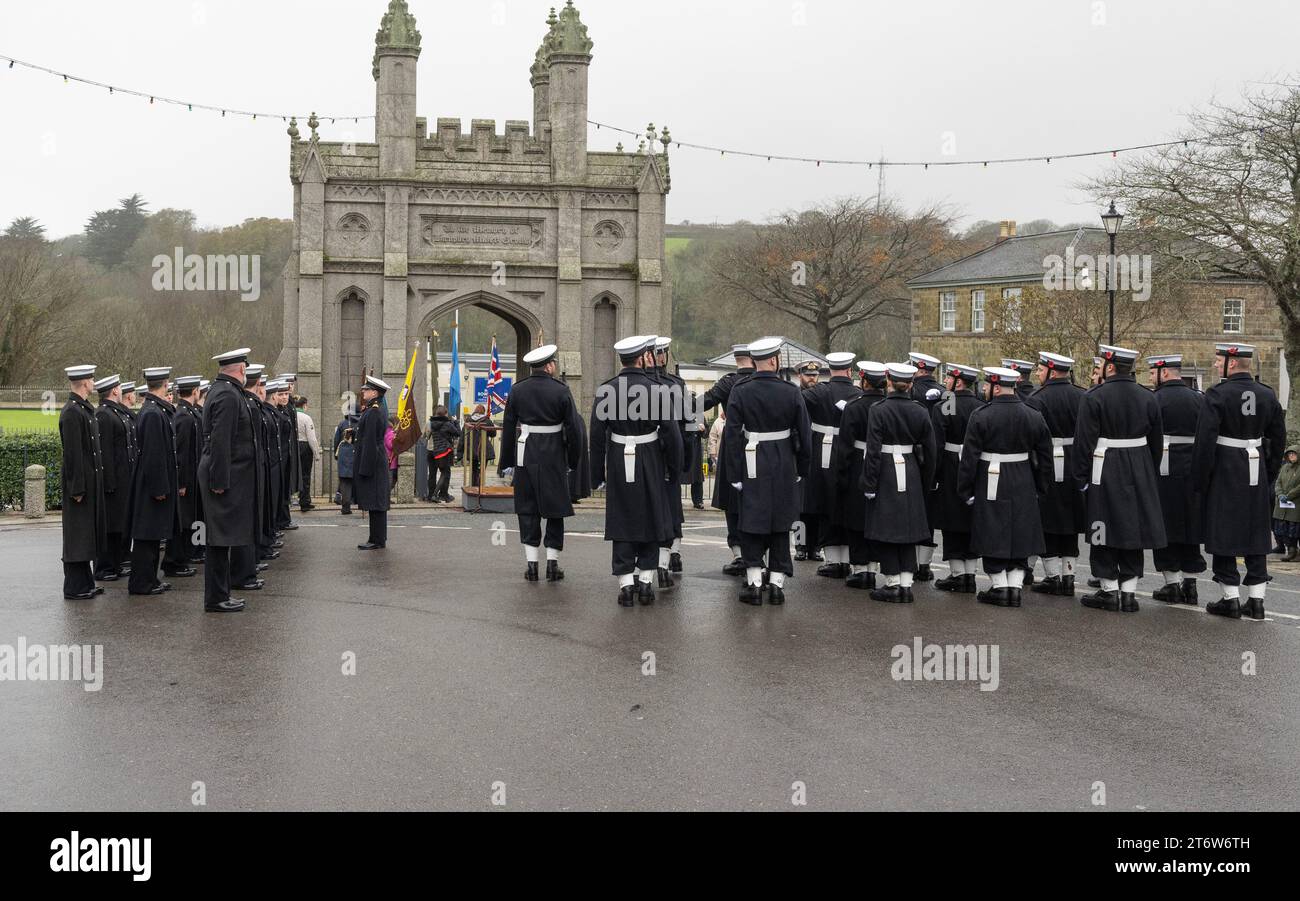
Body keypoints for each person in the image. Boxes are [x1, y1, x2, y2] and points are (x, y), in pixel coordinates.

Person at [1194, 343, 1286, 621]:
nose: (1214, 364)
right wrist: (1269, 474)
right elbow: (1278, 440)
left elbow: (1205, 442)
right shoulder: (1268, 394)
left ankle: (1230, 598)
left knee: (1223, 531)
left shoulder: (1217, 394)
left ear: (1231, 364)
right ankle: (1257, 601)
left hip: (1225, 469)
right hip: (1255, 470)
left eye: (1217, 360)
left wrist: (1201, 480)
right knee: (1256, 532)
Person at [1072, 345, 1166, 614]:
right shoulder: (1148, 397)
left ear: (1110, 367)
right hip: (1140, 466)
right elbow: (1156, 442)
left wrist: (1081, 478)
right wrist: (1148, 470)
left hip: (1105, 466)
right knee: (1132, 528)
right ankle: (1129, 593)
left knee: (1102, 527)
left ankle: (1109, 590)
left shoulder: (1094, 397)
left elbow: (1084, 443)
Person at [590, 335, 682, 607]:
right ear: (642, 358)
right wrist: (674, 470)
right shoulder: (657, 390)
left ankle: (626, 585)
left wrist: (597, 475)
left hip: (619, 460)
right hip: (650, 459)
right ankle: (645, 583)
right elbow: (672, 436)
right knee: (651, 518)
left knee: (622, 520)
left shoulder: (606, 390)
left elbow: (595, 436)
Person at [723, 337, 813, 605]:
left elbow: (732, 435)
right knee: (780, 524)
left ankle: (753, 583)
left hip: (752, 462)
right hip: (784, 461)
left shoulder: (741, 390)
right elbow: (805, 435)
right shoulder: (791, 391)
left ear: (753, 362)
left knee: (752, 522)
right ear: (775, 360)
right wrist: (802, 467)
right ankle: (776, 584)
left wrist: (734, 474)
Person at [957, 367, 1053, 608]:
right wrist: (1041, 487)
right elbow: (1045, 457)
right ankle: (1016, 586)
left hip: (991, 478)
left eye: (987, 386)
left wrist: (965, 490)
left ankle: (999, 586)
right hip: (1023, 478)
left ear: (996, 387)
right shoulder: (1033, 415)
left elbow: (969, 459)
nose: (985, 390)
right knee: (1020, 530)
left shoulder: (981, 415)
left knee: (993, 529)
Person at [498, 345, 583, 582]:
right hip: (554, 454)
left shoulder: (517, 390)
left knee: (528, 509)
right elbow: (573, 429)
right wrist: (573, 459)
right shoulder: (561, 390)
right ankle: (552, 564)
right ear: (548, 366)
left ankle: (532, 565)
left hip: (525, 454)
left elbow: (508, 428)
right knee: (555, 510)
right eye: (553, 363)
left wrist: (507, 462)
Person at [860, 362, 937, 603]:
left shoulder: (878, 409)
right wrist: (926, 481)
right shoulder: (920, 410)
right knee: (908, 528)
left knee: (887, 529)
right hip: (911, 470)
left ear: (889, 382)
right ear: (911, 384)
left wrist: (869, 483)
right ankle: (906, 583)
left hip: (885, 470)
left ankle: (893, 583)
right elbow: (931, 450)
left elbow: (872, 451)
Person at [197, 348, 257, 613]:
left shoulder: (224, 391)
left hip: (225, 473)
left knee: (222, 538)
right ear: (242, 369)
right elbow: (220, 441)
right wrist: (219, 480)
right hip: (223, 475)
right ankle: (216, 598)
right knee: (219, 539)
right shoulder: (228, 395)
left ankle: (221, 594)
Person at [1025, 352, 1088, 597]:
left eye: (1041, 370)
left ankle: (1052, 577)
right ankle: (1069, 576)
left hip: (1046, 462)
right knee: (1071, 523)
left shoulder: (1037, 399)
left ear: (1051, 371)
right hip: (1074, 462)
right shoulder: (1082, 395)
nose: (1038, 374)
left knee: (1048, 522)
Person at [1146, 354, 1207, 605]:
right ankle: (1190, 585)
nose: (1150, 377)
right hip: (1192, 467)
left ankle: (1171, 584)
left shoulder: (1154, 399)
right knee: (1191, 526)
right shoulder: (1199, 398)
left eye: (1153, 372)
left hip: (1164, 468)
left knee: (1165, 526)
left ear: (1165, 373)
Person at [804, 353, 862, 578]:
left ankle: (833, 560)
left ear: (830, 370)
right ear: (849, 371)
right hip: (851, 452)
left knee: (825, 504)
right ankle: (847, 558)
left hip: (822, 451)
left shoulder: (819, 391)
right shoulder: (858, 394)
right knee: (845, 504)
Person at [127, 367, 183, 595]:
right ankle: (142, 582)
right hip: (151, 487)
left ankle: (150, 579)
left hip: (152, 485)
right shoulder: (152, 413)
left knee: (152, 535)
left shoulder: (155, 410)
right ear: (165, 384)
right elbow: (153, 454)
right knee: (146, 536)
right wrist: (159, 488)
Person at [929, 363, 983, 594]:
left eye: (949, 378)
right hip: (976, 466)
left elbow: (937, 445)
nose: (946, 382)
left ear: (957, 382)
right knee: (970, 518)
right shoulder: (981, 405)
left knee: (952, 520)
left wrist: (934, 474)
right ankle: (969, 574)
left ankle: (958, 573)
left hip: (952, 466)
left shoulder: (946, 405)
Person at [702, 344, 755, 575]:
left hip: (732, 448)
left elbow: (701, 403)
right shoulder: (766, 381)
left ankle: (740, 555)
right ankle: (758, 553)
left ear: (736, 359)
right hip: (763, 450)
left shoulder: (728, 382)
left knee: (733, 505)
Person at [834, 361, 887, 589]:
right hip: (881, 465)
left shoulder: (853, 407)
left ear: (864, 381)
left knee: (855, 518)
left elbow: (844, 446)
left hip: (857, 463)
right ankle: (873, 569)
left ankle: (860, 569)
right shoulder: (886, 405)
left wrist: (841, 476)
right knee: (874, 517)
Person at [59, 365, 106, 600]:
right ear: (85, 383)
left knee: (86, 534)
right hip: (79, 485)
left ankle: (85, 581)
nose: (94, 382)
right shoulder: (71, 412)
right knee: (77, 535)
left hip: (89, 481)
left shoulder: (83, 409)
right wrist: (77, 487)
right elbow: (73, 454)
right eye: (92, 378)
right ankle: (74, 586)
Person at [652, 337, 690, 584]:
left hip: (663, 453)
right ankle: (666, 556)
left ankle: (672, 552)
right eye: (658, 353)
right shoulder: (672, 385)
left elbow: (688, 424)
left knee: (671, 507)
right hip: (660, 453)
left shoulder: (677, 384)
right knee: (667, 506)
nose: (661, 357)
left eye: (663, 353)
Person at [92, 374, 134, 581]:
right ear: (115, 390)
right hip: (113, 481)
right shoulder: (104, 414)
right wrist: (108, 482)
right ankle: (104, 567)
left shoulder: (116, 413)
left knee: (119, 525)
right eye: (119, 387)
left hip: (123, 478)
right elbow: (104, 452)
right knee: (110, 526)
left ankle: (115, 564)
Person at [907, 352, 944, 582]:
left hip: (911, 456)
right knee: (929, 512)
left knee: (911, 509)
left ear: (917, 369)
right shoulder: (945, 392)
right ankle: (925, 565)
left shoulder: (911, 390)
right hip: (936, 456)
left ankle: (910, 562)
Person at [163, 375, 204, 573]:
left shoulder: (189, 413)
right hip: (185, 480)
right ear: (195, 391)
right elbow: (179, 453)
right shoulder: (183, 416)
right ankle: (174, 561)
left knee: (191, 520)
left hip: (193, 478)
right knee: (182, 523)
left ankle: (187, 556)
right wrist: (180, 482)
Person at [355, 376, 393, 550]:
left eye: (366, 389)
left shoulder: (373, 411)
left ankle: (377, 540)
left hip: (374, 461)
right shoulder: (374, 409)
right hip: (377, 459)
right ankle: (376, 537)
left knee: (376, 502)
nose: (363, 392)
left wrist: (365, 468)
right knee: (376, 502)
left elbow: (370, 441)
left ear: (375, 392)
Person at [794, 359, 822, 561]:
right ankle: (800, 546)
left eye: (814, 375)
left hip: (818, 453)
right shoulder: (796, 395)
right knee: (800, 509)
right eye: (808, 375)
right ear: (800, 376)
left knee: (816, 507)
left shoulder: (820, 395)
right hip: (799, 453)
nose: (812, 378)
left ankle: (815, 547)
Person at [425, 406, 461, 503]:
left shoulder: (429, 422)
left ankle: (430, 496)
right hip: (442, 451)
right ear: (444, 414)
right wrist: (456, 422)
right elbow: (458, 433)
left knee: (432, 474)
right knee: (445, 473)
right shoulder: (447, 424)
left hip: (430, 450)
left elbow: (426, 436)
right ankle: (441, 495)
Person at [1272, 447, 1300, 561]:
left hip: (1295, 504)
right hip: (1282, 504)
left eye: (1294, 454)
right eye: (1290, 454)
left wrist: (1288, 495)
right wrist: (1280, 494)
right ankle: (1290, 550)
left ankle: (1293, 552)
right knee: (1282, 528)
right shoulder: (1285, 467)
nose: (1292, 456)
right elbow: (1278, 482)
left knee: (1293, 529)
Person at [292, 394, 319, 513]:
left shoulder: (290, 415)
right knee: (305, 475)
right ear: (304, 405)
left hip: (292, 445)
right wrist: (316, 453)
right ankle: (305, 502)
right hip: (304, 447)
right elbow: (312, 438)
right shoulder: (306, 418)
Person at [460, 404, 496, 488]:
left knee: (473, 470)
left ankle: (473, 487)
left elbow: (463, 435)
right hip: (483, 449)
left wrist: (460, 451)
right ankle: (480, 487)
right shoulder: (486, 420)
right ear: (483, 411)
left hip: (472, 449)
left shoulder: (468, 420)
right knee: (481, 470)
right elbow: (493, 434)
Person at [333, 403, 360, 515]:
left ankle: (345, 507)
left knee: (345, 482)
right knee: (359, 480)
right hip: (357, 454)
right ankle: (362, 504)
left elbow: (336, 441)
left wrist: (336, 454)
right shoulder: (362, 423)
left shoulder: (342, 424)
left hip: (344, 456)